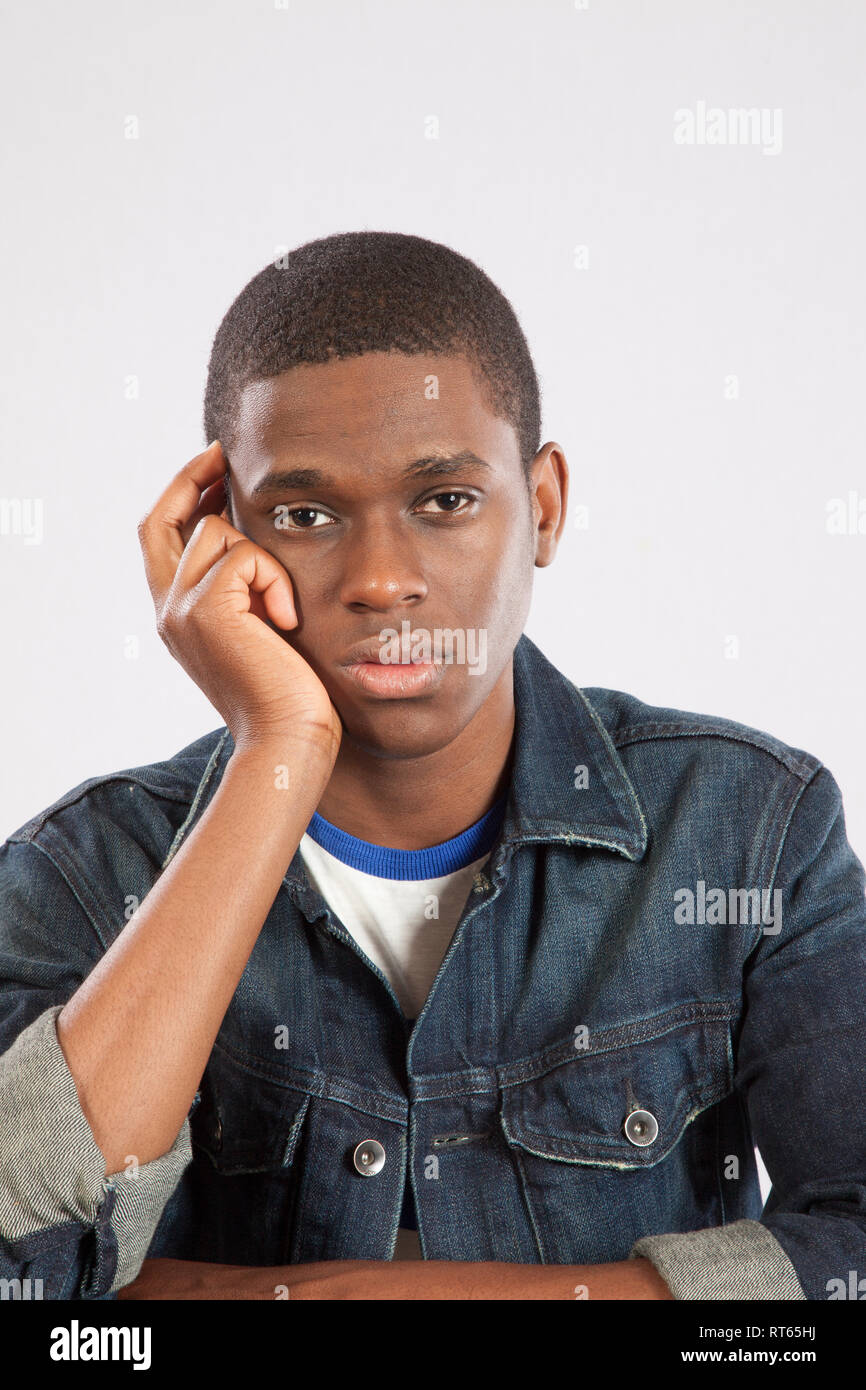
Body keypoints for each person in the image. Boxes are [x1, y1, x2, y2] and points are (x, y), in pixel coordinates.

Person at [0, 231, 863, 1301]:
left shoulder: (748, 828)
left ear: (540, 505)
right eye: (305, 515)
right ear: (217, 541)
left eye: (444, 500)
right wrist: (278, 747)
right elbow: (20, 1271)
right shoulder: (82, 873)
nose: (380, 580)